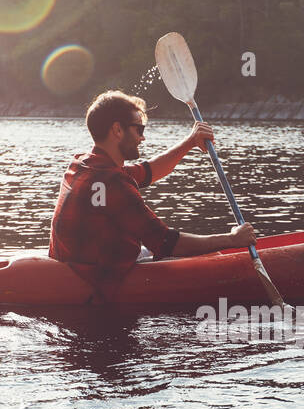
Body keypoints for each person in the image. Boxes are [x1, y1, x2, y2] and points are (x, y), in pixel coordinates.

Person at [48, 90, 256, 302]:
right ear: (117, 130)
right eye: (139, 129)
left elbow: (149, 171)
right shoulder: (113, 182)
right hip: (98, 277)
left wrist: (191, 141)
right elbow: (167, 243)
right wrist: (232, 239)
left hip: (80, 262)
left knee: (203, 250)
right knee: (207, 253)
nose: (142, 137)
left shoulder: (83, 163)